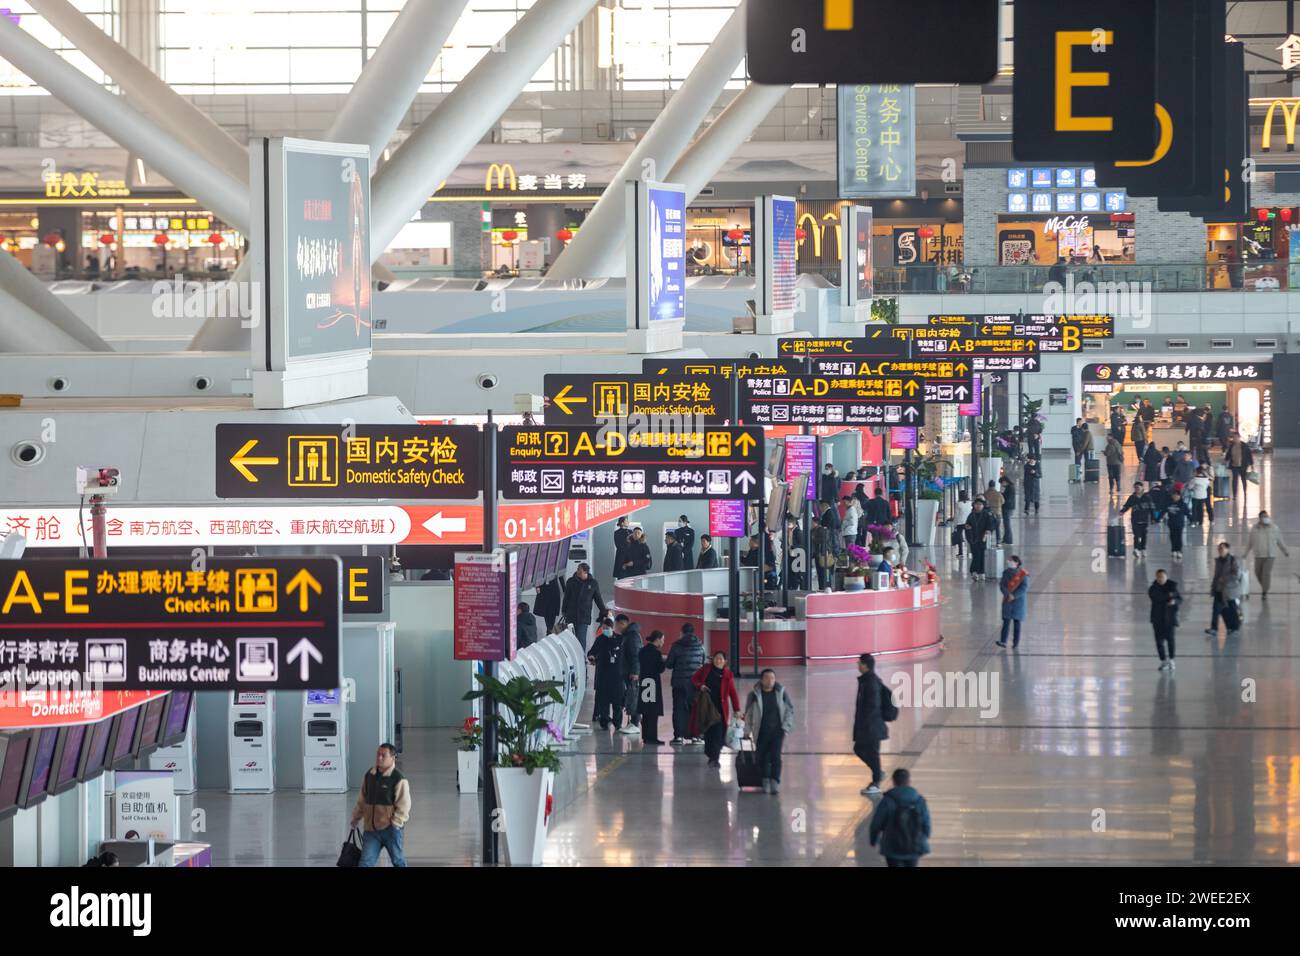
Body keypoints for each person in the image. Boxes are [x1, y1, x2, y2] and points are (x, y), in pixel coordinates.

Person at [350, 743, 410, 867]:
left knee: (398, 862)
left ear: (393, 758)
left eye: (383, 755)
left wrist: (396, 823)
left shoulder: (398, 779)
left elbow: (404, 805)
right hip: (371, 831)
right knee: (365, 863)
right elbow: (362, 800)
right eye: (378, 754)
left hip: (391, 831)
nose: (379, 758)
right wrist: (356, 817)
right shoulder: (369, 776)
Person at [743, 668, 796, 794]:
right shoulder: (754, 695)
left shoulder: (781, 693)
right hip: (760, 731)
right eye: (767, 678)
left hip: (777, 731)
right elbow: (749, 714)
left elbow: (790, 710)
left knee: (775, 756)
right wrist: (747, 730)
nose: (770, 681)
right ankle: (765, 780)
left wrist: (785, 727)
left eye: (772, 678)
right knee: (762, 757)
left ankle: (775, 781)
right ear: (761, 680)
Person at [868, 768, 932, 867]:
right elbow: (926, 823)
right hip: (914, 845)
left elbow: (876, 823)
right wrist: (923, 838)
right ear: (908, 781)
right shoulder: (919, 800)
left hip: (891, 845)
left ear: (894, 781)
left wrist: (873, 840)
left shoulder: (887, 800)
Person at [691, 651, 741, 767]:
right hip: (707, 707)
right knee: (709, 732)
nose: (718, 661)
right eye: (716, 658)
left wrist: (737, 709)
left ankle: (715, 758)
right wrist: (700, 686)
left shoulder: (728, 675)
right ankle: (711, 754)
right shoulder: (706, 669)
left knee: (719, 734)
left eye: (721, 659)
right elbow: (694, 679)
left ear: (725, 662)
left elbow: (733, 693)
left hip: (720, 709)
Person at [853, 653, 892, 795]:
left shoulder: (870, 683)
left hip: (872, 727)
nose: (857, 665)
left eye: (859, 663)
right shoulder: (867, 680)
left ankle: (876, 782)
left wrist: (865, 725)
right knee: (860, 749)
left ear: (865, 665)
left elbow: (872, 707)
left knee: (871, 753)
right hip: (870, 726)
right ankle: (878, 773)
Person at [664, 623, 706, 744]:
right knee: (695, 709)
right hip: (695, 684)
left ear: (682, 632)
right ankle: (696, 736)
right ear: (693, 632)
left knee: (678, 709)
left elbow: (669, 664)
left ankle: (678, 736)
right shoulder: (700, 646)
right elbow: (702, 663)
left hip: (679, 683)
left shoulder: (676, 646)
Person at [1243, 510, 1289, 600]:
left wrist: (1285, 551)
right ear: (1260, 518)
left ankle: (1264, 591)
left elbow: (1280, 541)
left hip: (1270, 555)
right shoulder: (1254, 529)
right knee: (1257, 573)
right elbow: (1250, 542)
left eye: (1267, 516)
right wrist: (1245, 553)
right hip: (1258, 555)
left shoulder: (1274, 528)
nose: (1266, 518)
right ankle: (1265, 587)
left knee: (1266, 573)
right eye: (1264, 517)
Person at [587, 619, 625, 729]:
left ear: (612, 628)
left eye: (607, 628)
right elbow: (592, 652)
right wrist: (592, 657)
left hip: (617, 675)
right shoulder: (600, 640)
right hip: (603, 674)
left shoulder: (620, 639)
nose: (605, 630)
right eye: (603, 628)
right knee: (604, 700)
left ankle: (617, 723)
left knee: (617, 702)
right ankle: (604, 721)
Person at [561, 563, 606, 650]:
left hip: (584, 616)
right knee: (571, 638)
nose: (577, 571)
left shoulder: (593, 583)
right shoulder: (570, 581)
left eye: (579, 570)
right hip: (571, 615)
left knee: (581, 638)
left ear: (586, 572)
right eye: (577, 569)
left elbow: (598, 599)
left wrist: (604, 611)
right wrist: (564, 611)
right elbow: (566, 598)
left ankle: (582, 658)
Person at [1148, 569, 1182, 671]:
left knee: (1171, 640)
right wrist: (1169, 596)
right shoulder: (1153, 589)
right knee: (1159, 642)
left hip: (1170, 619)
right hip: (1157, 619)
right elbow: (1157, 598)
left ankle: (1171, 660)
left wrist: (1174, 601)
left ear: (1166, 577)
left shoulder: (1172, 586)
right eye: (1159, 577)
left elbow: (1180, 599)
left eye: (1162, 577)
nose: (1160, 579)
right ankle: (1163, 660)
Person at [1206, 542, 1242, 637]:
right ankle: (1214, 628)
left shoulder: (1233, 560)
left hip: (1229, 590)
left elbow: (1237, 574)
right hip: (1219, 589)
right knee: (1216, 609)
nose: (1220, 550)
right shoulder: (1218, 560)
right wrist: (1213, 587)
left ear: (1228, 549)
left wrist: (1225, 578)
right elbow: (1216, 575)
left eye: (1222, 548)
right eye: (1219, 548)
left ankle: (1233, 627)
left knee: (1230, 609)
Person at [614, 614, 642, 734]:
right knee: (630, 697)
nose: (616, 627)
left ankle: (635, 723)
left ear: (622, 623)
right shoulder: (628, 635)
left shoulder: (632, 637)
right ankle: (631, 723)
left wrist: (635, 672)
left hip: (632, 673)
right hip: (627, 672)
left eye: (617, 625)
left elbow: (636, 655)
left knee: (633, 696)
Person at [637, 630, 667, 745]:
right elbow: (660, 669)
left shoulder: (642, 651)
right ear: (657, 639)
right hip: (653, 683)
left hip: (645, 682)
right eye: (662, 640)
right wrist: (664, 662)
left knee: (646, 711)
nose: (663, 642)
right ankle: (652, 737)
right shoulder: (656, 653)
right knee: (653, 712)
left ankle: (645, 736)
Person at [963, 498, 996, 580]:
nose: (978, 506)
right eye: (977, 504)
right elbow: (967, 524)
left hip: (983, 539)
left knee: (982, 555)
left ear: (983, 506)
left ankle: (981, 572)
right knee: (976, 555)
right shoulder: (971, 515)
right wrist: (967, 527)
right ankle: (974, 571)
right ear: (974, 505)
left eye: (980, 505)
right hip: (973, 539)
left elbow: (991, 524)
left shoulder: (986, 514)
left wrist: (988, 531)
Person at [1120, 482, 1155, 557]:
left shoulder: (1147, 497)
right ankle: (1136, 549)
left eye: (1138, 487)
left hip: (1144, 520)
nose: (1137, 489)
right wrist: (1122, 511)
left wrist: (1153, 518)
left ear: (1142, 488)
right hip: (1135, 519)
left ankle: (1143, 548)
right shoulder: (1132, 497)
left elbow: (1152, 508)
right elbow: (1127, 505)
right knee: (1136, 535)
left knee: (1144, 535)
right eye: (1135, 488)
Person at [1225, 433, 1254, 499]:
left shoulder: (1244, 446)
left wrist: (1252, 464)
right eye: (1233, 437)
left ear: (1239, 438)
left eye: (1236, 437)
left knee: (1243, 479)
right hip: (1234, 466)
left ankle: (1245, 491)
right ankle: (1234, 495)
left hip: (1243, 466)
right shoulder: (1232, 446)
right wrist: (1226, 460)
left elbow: (1249, 455)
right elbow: (1228, 454)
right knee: (1234, 480)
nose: (1234, 439)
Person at [1165, 488, 1188, 560]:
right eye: (1174, 495)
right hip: (1171, 524)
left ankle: (1179, 550)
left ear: (1179, 496)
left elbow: (1187, 513)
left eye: (1177, 495)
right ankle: (1173, 549)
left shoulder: (1183, 505)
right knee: (1172, 537)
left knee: (1178, 537)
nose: (1175, 497)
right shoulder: (1169, 504)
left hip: (1179, 524)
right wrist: (1156, 519)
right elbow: (1163, 511)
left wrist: (1193, 519)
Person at [983, 480, 1004, 544]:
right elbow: (1003, 501)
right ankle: (998, 542)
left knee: (989, 528)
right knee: (997, 528)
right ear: (994, 486)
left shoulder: (985, 494)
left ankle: (988, 542)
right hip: (997, 512)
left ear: (989, 485)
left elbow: (983, 502)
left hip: (989, 513)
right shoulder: (998, 494)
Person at [952, 490, 972, 556]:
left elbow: (956, 515)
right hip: (968, 522)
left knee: (959, 538)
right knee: (968, 537)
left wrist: (954, 524)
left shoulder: (958, 504)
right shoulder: (970, 503)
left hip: (960, 522)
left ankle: (961, 552)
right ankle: (970, 551)